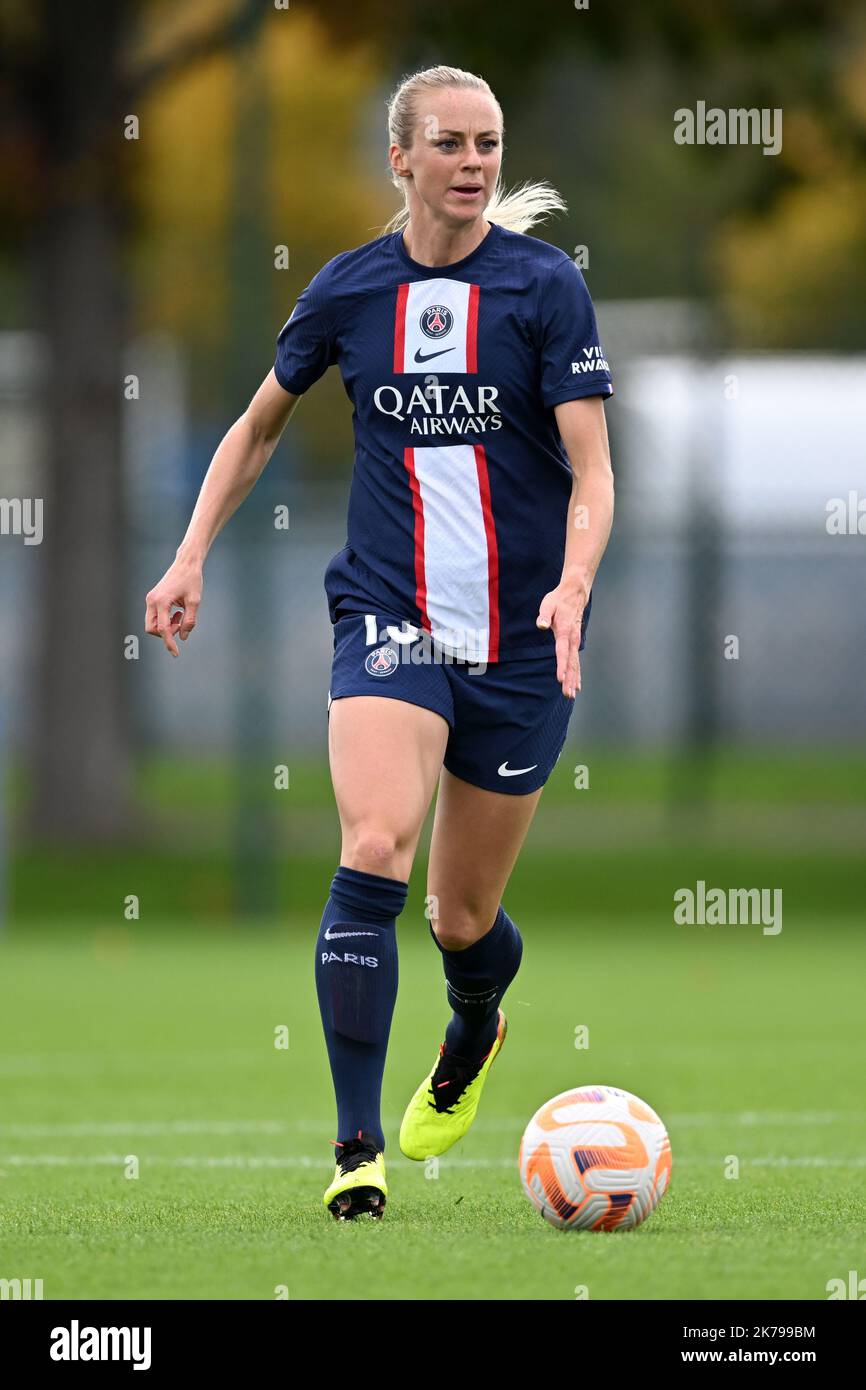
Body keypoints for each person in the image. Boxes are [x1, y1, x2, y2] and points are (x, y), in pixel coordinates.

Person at [145, 64, 614, 1221]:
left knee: (460, 918)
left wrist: (572, 583)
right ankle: (354, 1153)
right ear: (397, 159)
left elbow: (594, 470)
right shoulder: (348, 291)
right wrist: (191, 549)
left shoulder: (545, 288)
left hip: (517, 638)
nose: (472, 163)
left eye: (487, 142)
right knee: (372, 844)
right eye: (448, 142)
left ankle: (473, 1022)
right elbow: (257, 427)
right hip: (388, 615)